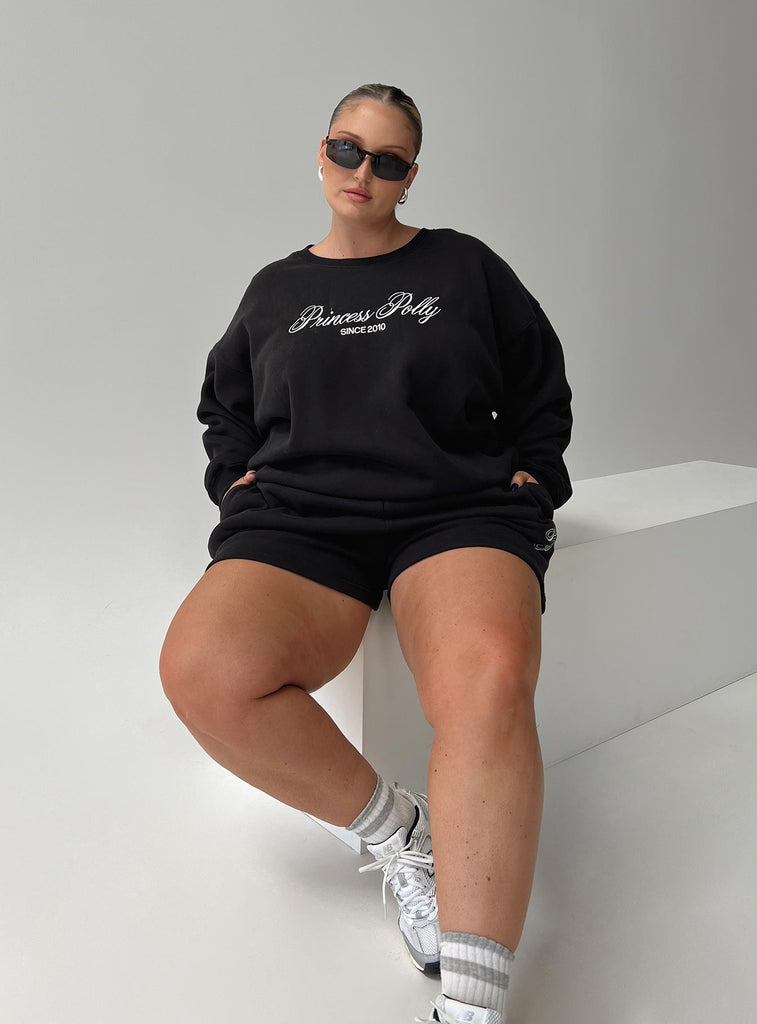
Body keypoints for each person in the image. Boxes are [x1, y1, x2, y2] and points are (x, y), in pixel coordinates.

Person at [159, 83, 573, 1024]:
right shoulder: (274, 289)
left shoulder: (462, 266)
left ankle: (472, 1005)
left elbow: (539, 380)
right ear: (321, 153)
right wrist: (234, 485)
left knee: (487, 682)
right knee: (203, 673)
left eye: (387, 161)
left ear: (410, 176)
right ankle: (400, 835)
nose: (362, 173)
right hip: (304, 517)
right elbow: (225, 405)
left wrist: (537, 476)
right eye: (347, 150)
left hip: (451, 509)